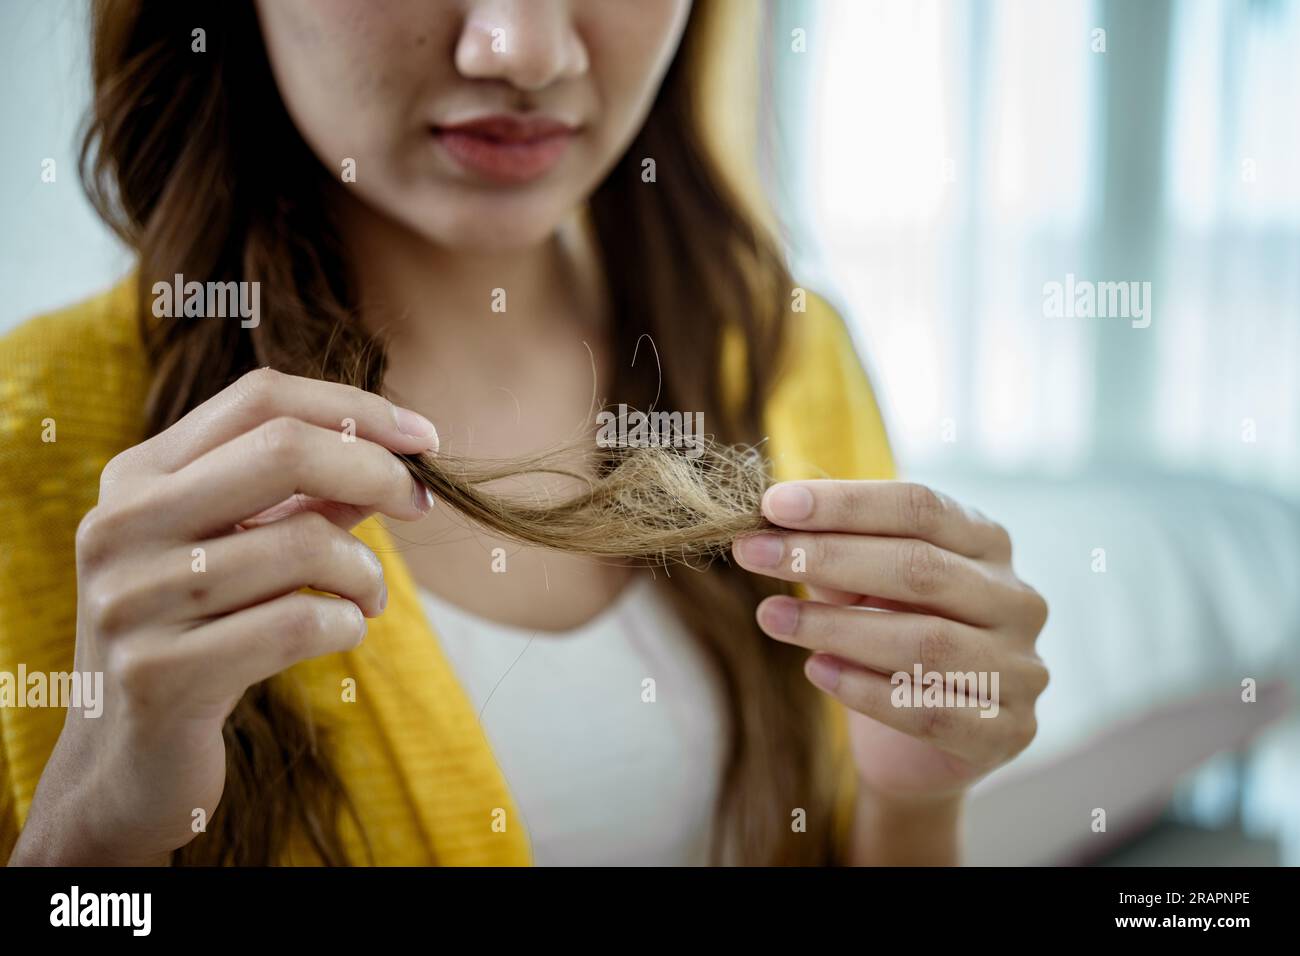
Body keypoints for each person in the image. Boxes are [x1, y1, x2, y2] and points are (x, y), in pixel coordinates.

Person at [1, 0, 1048, 867]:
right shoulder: (33, 441)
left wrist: (915, 803)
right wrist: (93, 829)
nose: (524, 48)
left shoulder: (784, 356)